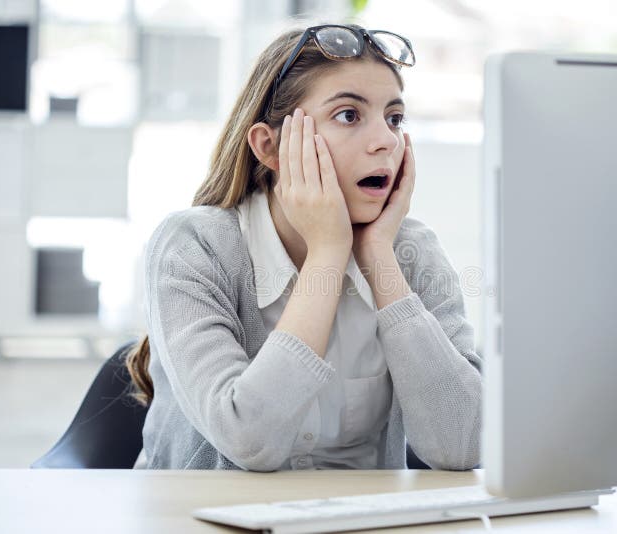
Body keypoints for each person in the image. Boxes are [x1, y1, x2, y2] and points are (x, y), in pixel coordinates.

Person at [125, 23, 482, 471]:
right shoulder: (192, 246)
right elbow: (249, 439)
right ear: (270, 147)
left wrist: (379, 262)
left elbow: (465, 446)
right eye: (349, 115)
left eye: (394, 118)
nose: (386, 141)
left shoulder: (411, 251)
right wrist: (328, 254)